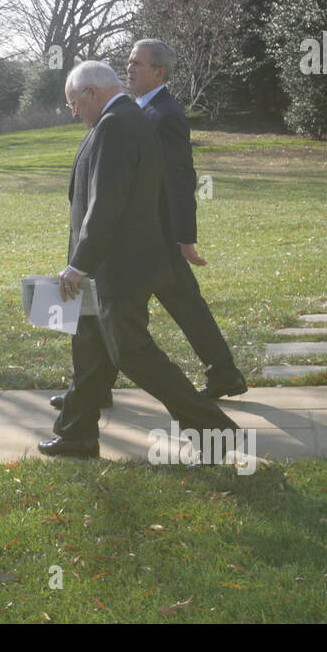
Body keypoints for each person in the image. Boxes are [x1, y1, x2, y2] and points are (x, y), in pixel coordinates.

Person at [39, 60, 240, 459]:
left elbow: (106, 204)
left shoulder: (116, 125)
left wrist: (79, 264)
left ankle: (215, 431)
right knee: (90, 352)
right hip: (112, 265)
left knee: (133, 354)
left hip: (115, 267)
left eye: (73, 103)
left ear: (92, 93)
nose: (73, 112)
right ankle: (77, 433)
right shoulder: (127, 118)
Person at [126, 39, 247, 400]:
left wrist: (184, 238)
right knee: (129, 310)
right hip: (146, 235)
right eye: (129, 62)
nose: (129, 68)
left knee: (125, 310)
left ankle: (91, 390)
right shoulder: (145, 110)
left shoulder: (164, 115)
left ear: (159, 72)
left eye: (137, 63)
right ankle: (224, 372)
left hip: (158, 237)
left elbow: (179, 179)